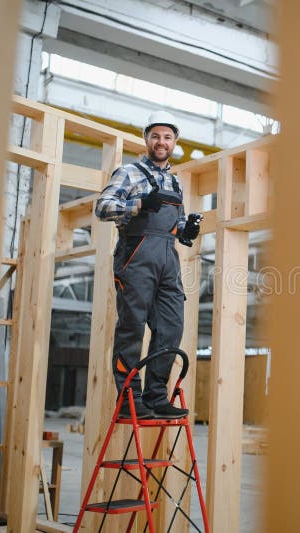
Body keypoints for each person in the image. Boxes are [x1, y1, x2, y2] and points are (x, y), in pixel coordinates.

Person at [95, 111, 202, 419]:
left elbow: (176, 226)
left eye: (167, 137)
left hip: (168, 258)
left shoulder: (175, 182)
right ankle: (130, 400)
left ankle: (156, 397)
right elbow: (102, 208)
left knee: (170, 327)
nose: (161, 142)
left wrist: (188, 229)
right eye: (155, 136)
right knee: (131, 327)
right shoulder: (128, 172)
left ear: (174, 142)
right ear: (146, 139)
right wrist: (138, 203)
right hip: (136, 255)